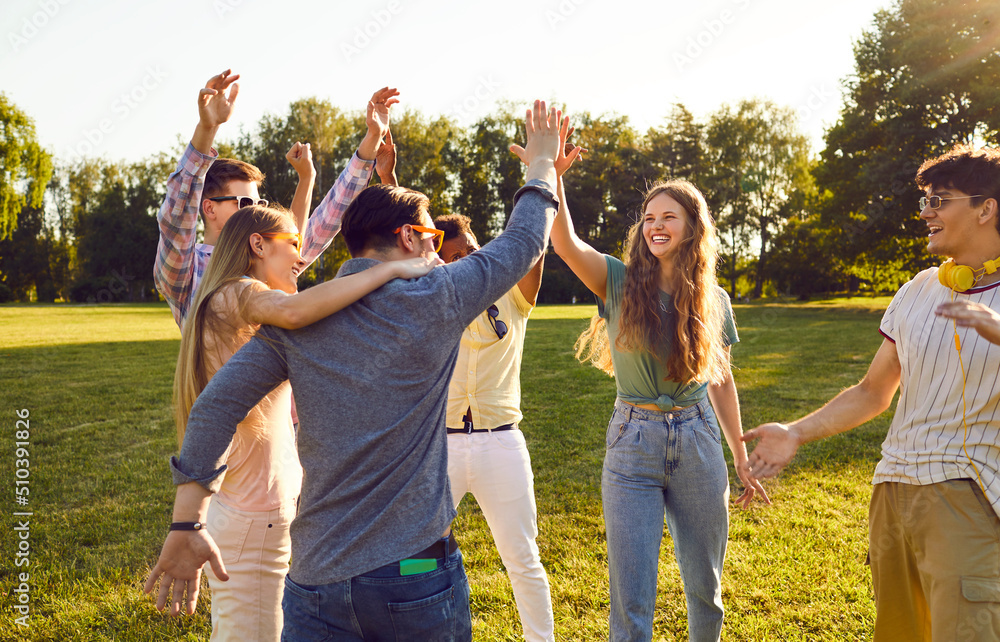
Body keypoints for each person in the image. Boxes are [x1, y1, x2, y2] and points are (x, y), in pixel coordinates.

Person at [144, 101, 565, 641]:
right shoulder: (439, 295)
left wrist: (187, 520)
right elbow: (525, 242)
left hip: (314, 580)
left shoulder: (298, 317)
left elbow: (216, 407)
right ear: (410, 239)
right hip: (412, 577)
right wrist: (542, 167)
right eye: (431, 238)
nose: (437, 248)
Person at [743, 144, 1000, 641]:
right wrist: (796, 431)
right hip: (892, 494)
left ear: (986, 207)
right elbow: (872, 391)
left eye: (940, 200)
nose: (926, 213)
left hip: (969, 497)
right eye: (924, 201)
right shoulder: (916, 291)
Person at [173, 204, 435, 641]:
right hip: (254, 520)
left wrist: (308, 179)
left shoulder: (230, 299)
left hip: (258, 512)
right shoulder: (236, 292)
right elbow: (297, 312)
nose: (301, 256)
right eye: (293, 244)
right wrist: (391, 271)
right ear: (257, 245)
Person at [542, 147, 768, 639]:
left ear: (693, 227)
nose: (655, 226)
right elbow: (564, 242)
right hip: (632, 441)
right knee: (632, 597)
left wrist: (741, 456)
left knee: (706, 589)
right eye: (649, 218)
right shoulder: (617, 281)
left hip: (698, 438)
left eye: (669, 216)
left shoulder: (715, 299)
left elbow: (722, 380)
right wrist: (554, 177)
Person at [154, 68, 399, 325]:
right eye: (245, 203)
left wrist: (372, 140)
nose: (256, 211)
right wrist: (207, 128)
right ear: (209, 208)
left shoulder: (268, 256)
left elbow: (328, 220)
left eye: (260, 203)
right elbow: (177, 214)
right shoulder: (187, 271)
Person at [433, 212, 554, 641]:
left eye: (473, 248)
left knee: (523, 558)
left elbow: (535, 243)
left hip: (501, 443)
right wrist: (390, 179)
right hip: (438, 450)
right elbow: (408, 240)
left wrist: (547, 176)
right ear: (437, 259)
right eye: (456, 254)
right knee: (415, 557)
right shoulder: (430, 297)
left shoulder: (512, 295)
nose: (470, 257)